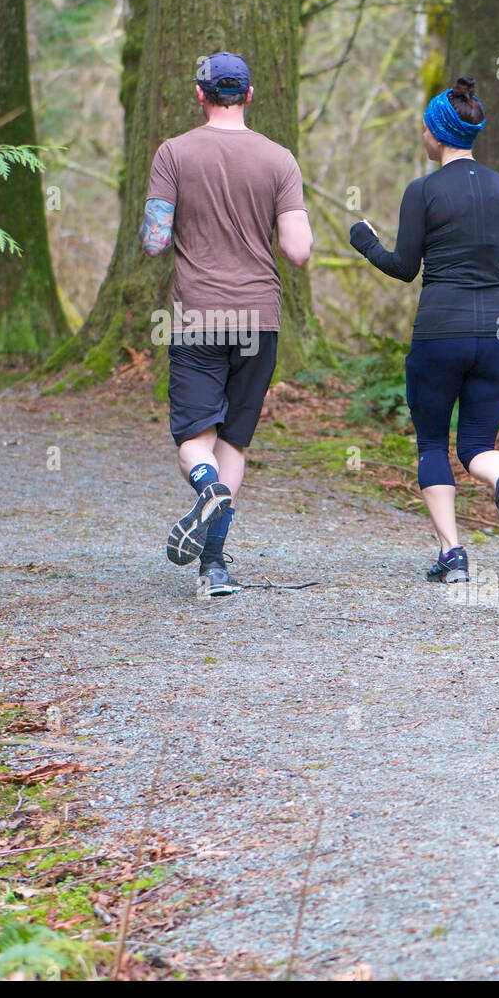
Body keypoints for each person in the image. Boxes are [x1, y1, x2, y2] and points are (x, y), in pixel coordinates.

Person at [350, 76, 499, 584]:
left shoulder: (424, 191)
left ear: (436, 133)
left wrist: (364, 240)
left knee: (433, 444)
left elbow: (403, 266)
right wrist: (495, 292)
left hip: (440, 331)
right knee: (477, 444)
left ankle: (453, 554)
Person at [140, 51, 313, 599]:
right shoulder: (279, 159)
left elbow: (154, 241)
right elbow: (299, 251)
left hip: (198, 315)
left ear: (200, 94)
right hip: (258, 317)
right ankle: (213, 567)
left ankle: (204, 489)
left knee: (195, 436)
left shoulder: (173, 153)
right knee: (233, 439)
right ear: (250, 94)